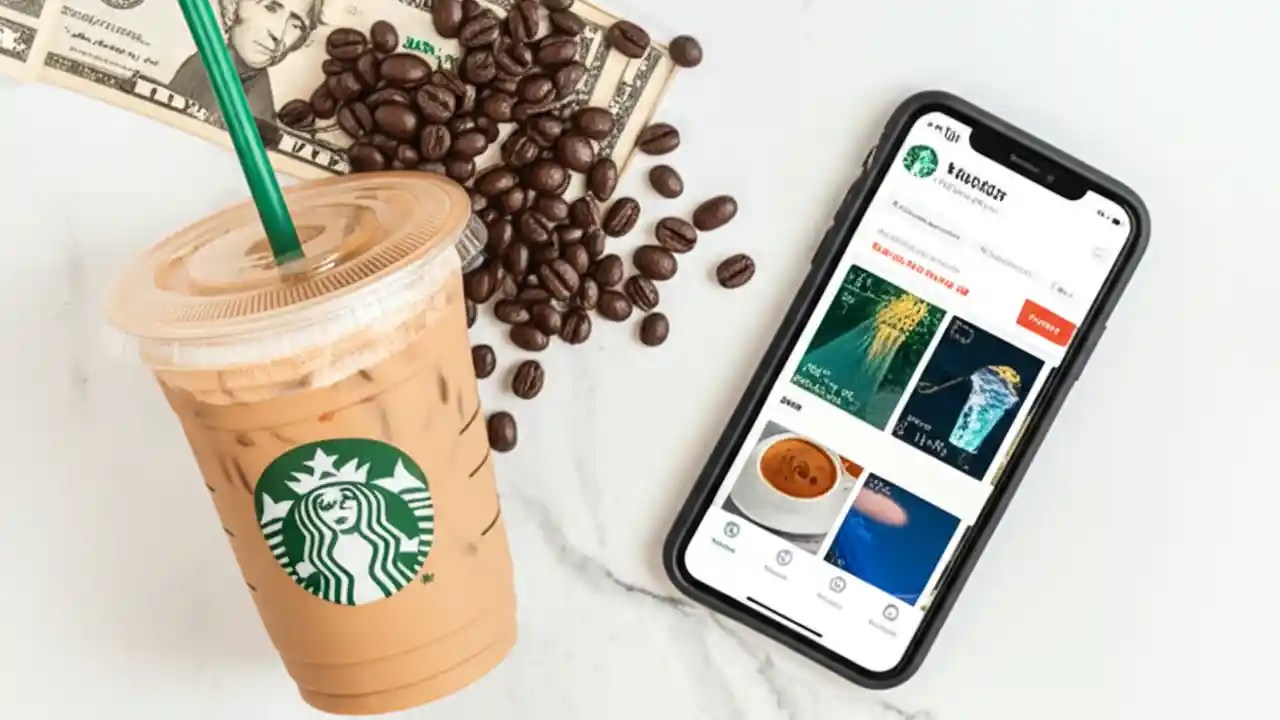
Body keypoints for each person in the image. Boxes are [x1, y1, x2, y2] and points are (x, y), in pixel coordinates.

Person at [170, 0, 323, 124]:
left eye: (296, 26)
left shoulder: (259, 98)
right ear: (232, 4)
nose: (278, 33)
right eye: (270, 8)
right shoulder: (204, 66)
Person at [293, 483, 421, 605]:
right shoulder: (315, 559)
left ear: (365, 502)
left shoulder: (394, 541)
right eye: (326, 506)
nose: (338, 510)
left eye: (346, 500)